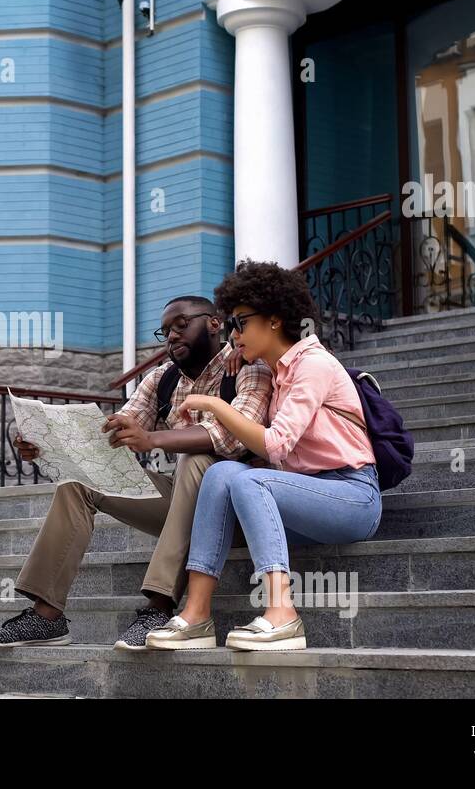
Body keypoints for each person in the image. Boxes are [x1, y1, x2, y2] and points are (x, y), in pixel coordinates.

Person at [0, 296, 272, 650]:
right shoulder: (162, 378)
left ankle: (159, 606)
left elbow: (230, 437)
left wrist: (153, 438)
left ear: (213, 323)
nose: (172, 337)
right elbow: (112, 440)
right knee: (79, 482)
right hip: (185, 505)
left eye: (181, 325)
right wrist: (43, 446)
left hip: (241, 514)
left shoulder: (249, 366)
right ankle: (45, 615)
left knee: (198, 461)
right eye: (165, 332)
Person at [145, 261, 381, 652]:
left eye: (241, 323)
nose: (234, 334)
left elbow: (275, 445)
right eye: (232, 324)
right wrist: (244, 355)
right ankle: (197, 614)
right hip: (303, 495)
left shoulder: (314, 364)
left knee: (248, 479)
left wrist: (214, 405)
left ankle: (283, 614)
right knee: (221, 473)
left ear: (274, 319)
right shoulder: (273, 371)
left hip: (352, 496)